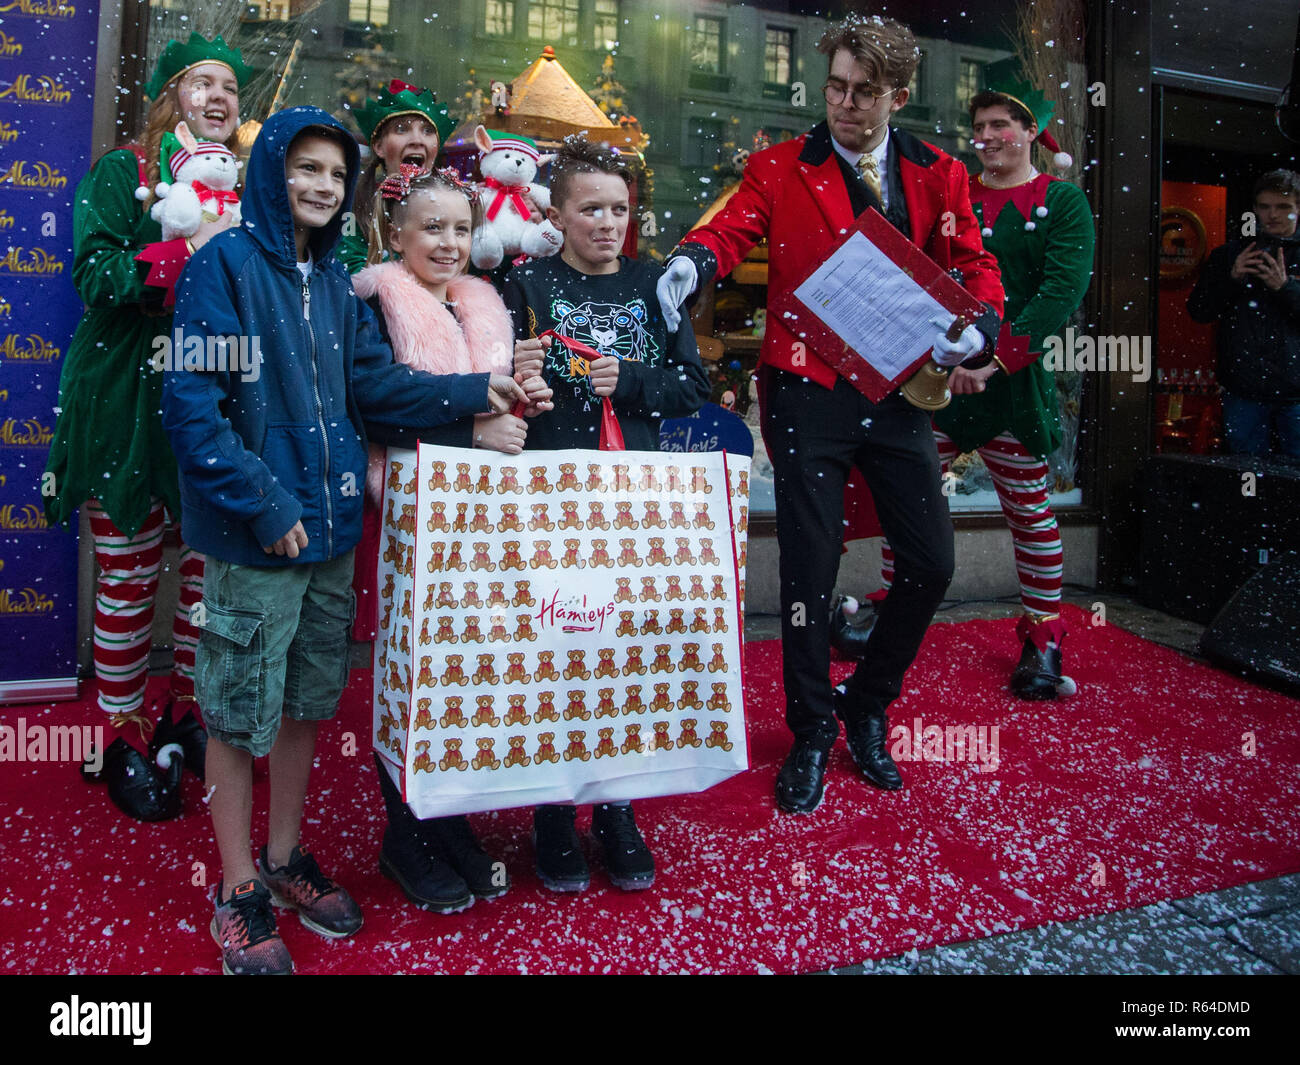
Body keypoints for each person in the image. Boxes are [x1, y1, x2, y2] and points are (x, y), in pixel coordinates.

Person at [162, 107, 529, 975]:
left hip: (330, 535)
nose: (322, 186)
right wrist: (261, 502)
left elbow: (379, 389)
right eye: (306, 169)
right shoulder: (223, 267)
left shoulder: (335, 288)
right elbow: (192, 407)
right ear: (271, 175)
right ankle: (238, 886)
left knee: (305, 706)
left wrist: (484, 391)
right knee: (235, 712)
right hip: (260, 540)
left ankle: (286, 859)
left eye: (335, 173)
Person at [656, 14, 1003, 813]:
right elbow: (731, 224)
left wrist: (976, 328)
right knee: (811, 568)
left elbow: (975, 268)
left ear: (899, 97)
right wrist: (692, 259)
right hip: (808, 392)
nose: (844, 106)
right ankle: (812, 728)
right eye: (836, 88)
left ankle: (868, 702)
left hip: (899, 391)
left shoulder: (941, 173)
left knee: (932, 563)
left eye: (864, 93)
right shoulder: (780, 166)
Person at [45, 33, 252, 819]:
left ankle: (187, 715)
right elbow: (95, 274)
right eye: (204, 83)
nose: (219, 98)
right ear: (171, 97)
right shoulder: (122, 173)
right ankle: (122, 734)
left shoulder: (245, 189)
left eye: (230, 88)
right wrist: (179, 255)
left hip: (217, 399)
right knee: (129, 577)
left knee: (207, 579)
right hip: (128, 398)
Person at [503, 135, 710, 891]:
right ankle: (554, 808)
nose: (607, 222)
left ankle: (619, 805)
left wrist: (636, 382)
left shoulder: (656, 283)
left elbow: (695, 385)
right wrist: (518, 377)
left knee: (624, 653)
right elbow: (499, 377)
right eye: (590, 207)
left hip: (632, 505)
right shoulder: (525, 282)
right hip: (548, 499)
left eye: (619, 209)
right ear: (556, 212)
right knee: (554, 654)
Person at [351, 166, 551, 913]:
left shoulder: (482, 305)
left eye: (461, 229)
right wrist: (475, 411)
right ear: (396, 233)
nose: (448, 242)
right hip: (407, 510)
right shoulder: (374, 301)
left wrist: (522, 390)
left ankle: (448, 819)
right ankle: (405, 833)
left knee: (465, 674)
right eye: (431, 227)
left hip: (479, 516)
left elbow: (496, 407)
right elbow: (375, 396)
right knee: (410, 674)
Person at [868, 81, 1094, 699]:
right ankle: (892, 610)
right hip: (935, 377)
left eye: (1003, 124)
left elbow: (1059, 295)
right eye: (982, 126)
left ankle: (1044, 637)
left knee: (1031, 513)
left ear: (1030, 133)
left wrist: (992, 356)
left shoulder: (1063, 202)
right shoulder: (952, 194)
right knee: (907, 506)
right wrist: (939, 356)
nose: (990, 137)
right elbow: (921, 275)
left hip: (1013, 385)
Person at [1188, 169, 1300, 460]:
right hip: (1244, 390)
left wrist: (1286, 289)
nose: (1272, 215)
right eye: (1264, 207)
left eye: (1283, 207)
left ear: (1298, 209)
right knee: (1245, 480)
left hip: (1296, 394)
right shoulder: (1229, 255)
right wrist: (1231, 277)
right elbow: (1199, 311)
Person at [337, 79, 456, 273]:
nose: (417, 140)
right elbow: (349, 267)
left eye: (427, 131)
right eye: (402, 129)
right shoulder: (353, 204)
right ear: (379, 147)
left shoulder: (456, 204)